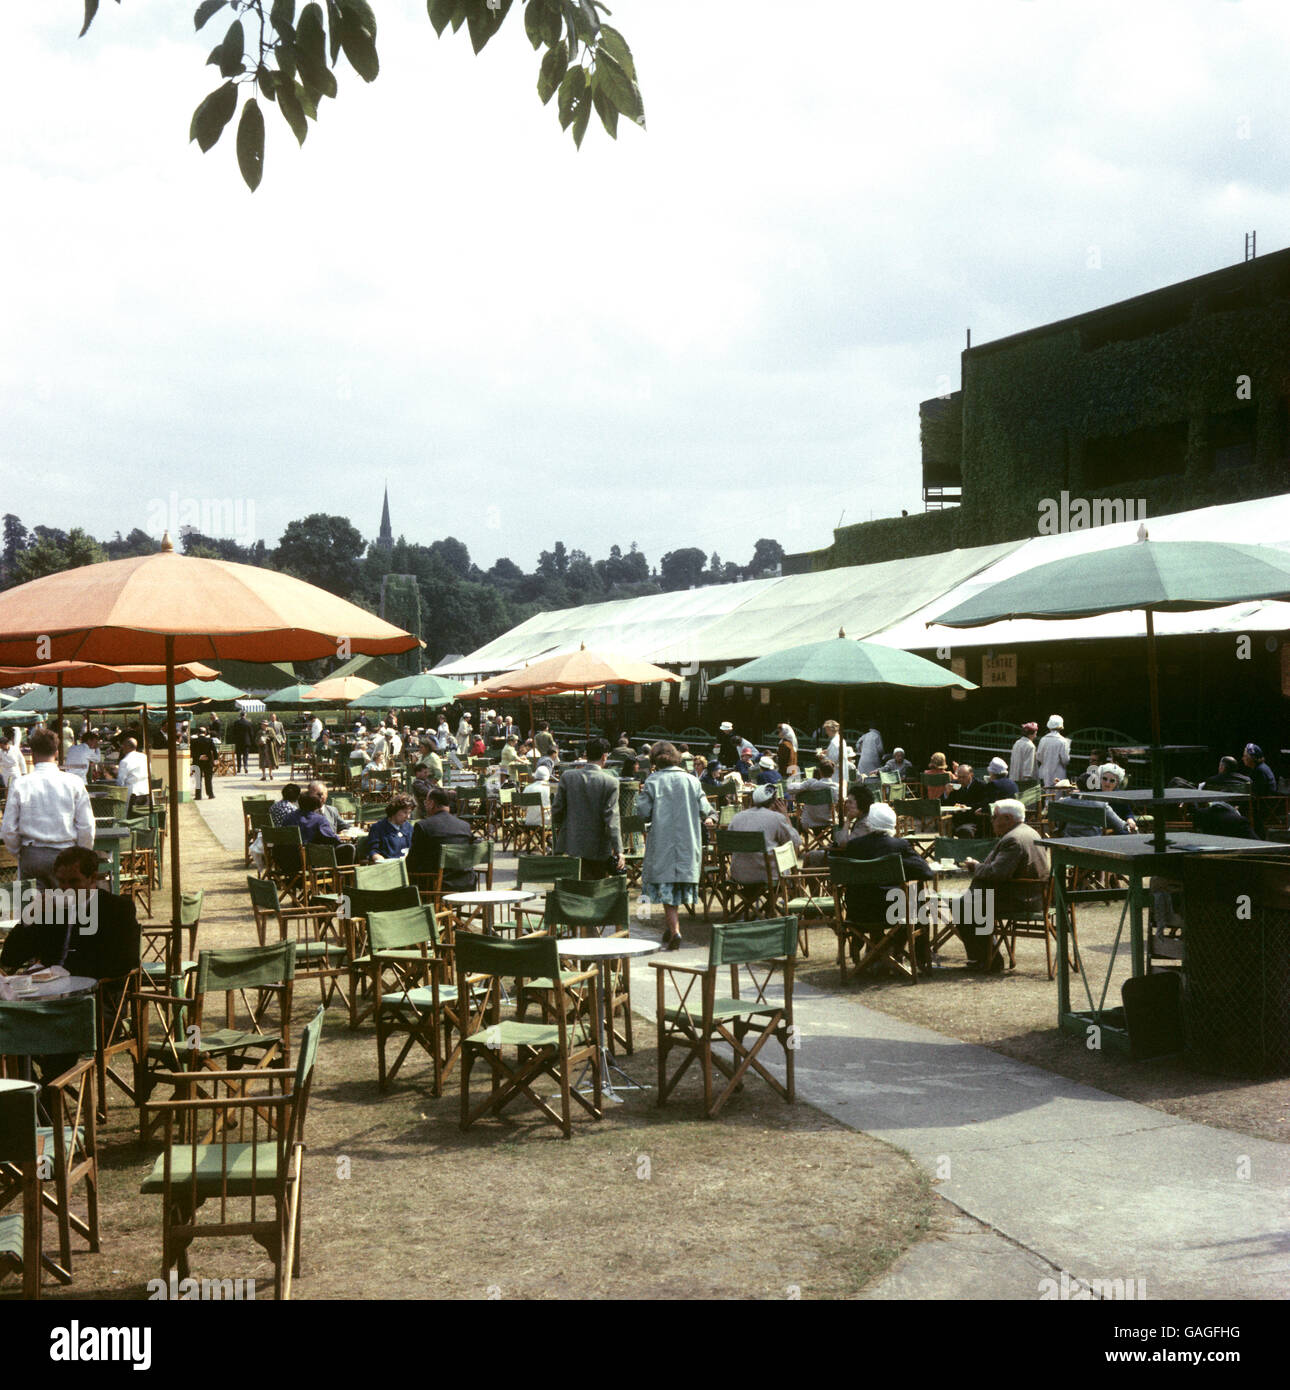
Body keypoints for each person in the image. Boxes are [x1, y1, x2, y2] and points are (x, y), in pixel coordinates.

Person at [637, 741, 714, 951]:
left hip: (662, 839)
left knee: (666, 884)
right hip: (688, 839)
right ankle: (671, 927)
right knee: (678, 883)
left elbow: (642, 812)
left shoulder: (653, 781)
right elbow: (705, 808)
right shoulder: (692, 780)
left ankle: (674, 931)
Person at [834, 802, 934, 961]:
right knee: (918, 898)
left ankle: (876, 949)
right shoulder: (899, 845)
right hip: (893, 911)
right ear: (893, 824)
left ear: (868, 823)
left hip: (858, 911)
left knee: (871, 893)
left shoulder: (854, 846)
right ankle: (908, 953)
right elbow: (926, 872)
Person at [958, 800, 1049, 971]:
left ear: (1007, 818)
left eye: (994, 817)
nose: (991, 820)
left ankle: (986, 959)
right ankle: (988, 956)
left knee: (963, 906)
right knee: (968, 904)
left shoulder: (1013, 839)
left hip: (1019, 899)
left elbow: (997, 874)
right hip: (1031, 894)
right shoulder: (1029, 832)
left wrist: (975, 867)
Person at [1, 727, 96, 887]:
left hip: (31, 854)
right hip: (67, 855)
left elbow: (9, 829)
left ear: (32, 753)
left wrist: (21, 853)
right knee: (67, 910)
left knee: (29, 910)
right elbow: (86, 826)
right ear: (57, 752)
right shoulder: (74, 782)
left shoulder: (20, 784)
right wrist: (80, 855)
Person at [552, 736, 624, 878]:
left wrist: (564, 827)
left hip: (570, 844)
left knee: (572, 890)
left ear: (585, 755)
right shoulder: (611, 782)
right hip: (598, 848)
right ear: (604, 757)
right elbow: (612, 820)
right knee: (595, 892)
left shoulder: (567, 777)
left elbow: (557, 809)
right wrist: (619, 849)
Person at [728, 784, 800, 885]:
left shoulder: (736, 817)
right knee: (789, 847)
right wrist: (785, 815)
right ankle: (793, 884)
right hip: (768, 876)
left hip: (739, 875)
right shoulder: (776, 818)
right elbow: (795, 841)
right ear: (775, 802)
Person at [406, 788, 473, 887]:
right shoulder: (465, 826)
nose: (425, 806)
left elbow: (412, 862)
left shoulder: (423, 826)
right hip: (467, 884)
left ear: (432, 803)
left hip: (436, 886)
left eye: (426, 802)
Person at [1050, 764, 1138, 836]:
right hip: (1094, 838)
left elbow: (1127, 813)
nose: (1107, 783)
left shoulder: (1065, 802)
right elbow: (1120, 825)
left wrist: (1130, 819)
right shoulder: (1101, 805)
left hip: (1070, 838)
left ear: (1117, 783)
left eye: (1112, 780)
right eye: (1104, 779)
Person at [367, 792, 418, 862]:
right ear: (394, 811)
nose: (408, 816)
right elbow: (374, 851)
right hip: (387, 867)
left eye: (409, 813)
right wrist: (381, 860)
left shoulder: (408, 827)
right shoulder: (378, 828)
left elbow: (413, 849)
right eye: (405, 812)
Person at [1241, 744, 1277, 839]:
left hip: (1264, 808)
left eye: (1245, 756)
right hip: (1263, 805)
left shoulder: (1259, 771)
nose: (1242, 758)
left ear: (1252, 758)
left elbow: (1257, 793)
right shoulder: (1260, 768)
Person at [115, 736, 151, 812]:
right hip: (146, 790)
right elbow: (149, 771)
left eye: (123, 746)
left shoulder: (125, 761)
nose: (122, 748)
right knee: (145, 816)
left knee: (132, 818)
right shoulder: (144, 757)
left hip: (133, 793)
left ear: (127, 747)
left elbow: (120, 781)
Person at [1036, 715, 1071, 788]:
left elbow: (1038, 757)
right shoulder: (1063, 741)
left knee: (1046, 792)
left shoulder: (1043, 739)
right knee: (1057, 794)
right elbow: (1065, 760)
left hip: (1045, 771)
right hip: (1059, 773)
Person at [190, 724, 217, 800]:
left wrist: (199, 756)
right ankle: (210, 794)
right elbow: (214, 751)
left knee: (198, 780)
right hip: (208, 761)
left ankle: (198, 796)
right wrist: (215, 759)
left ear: (198, 733)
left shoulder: (194, 741)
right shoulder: (209, 740)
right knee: (208, 779)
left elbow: (192, 752)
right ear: (205, 733)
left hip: (198, 762)